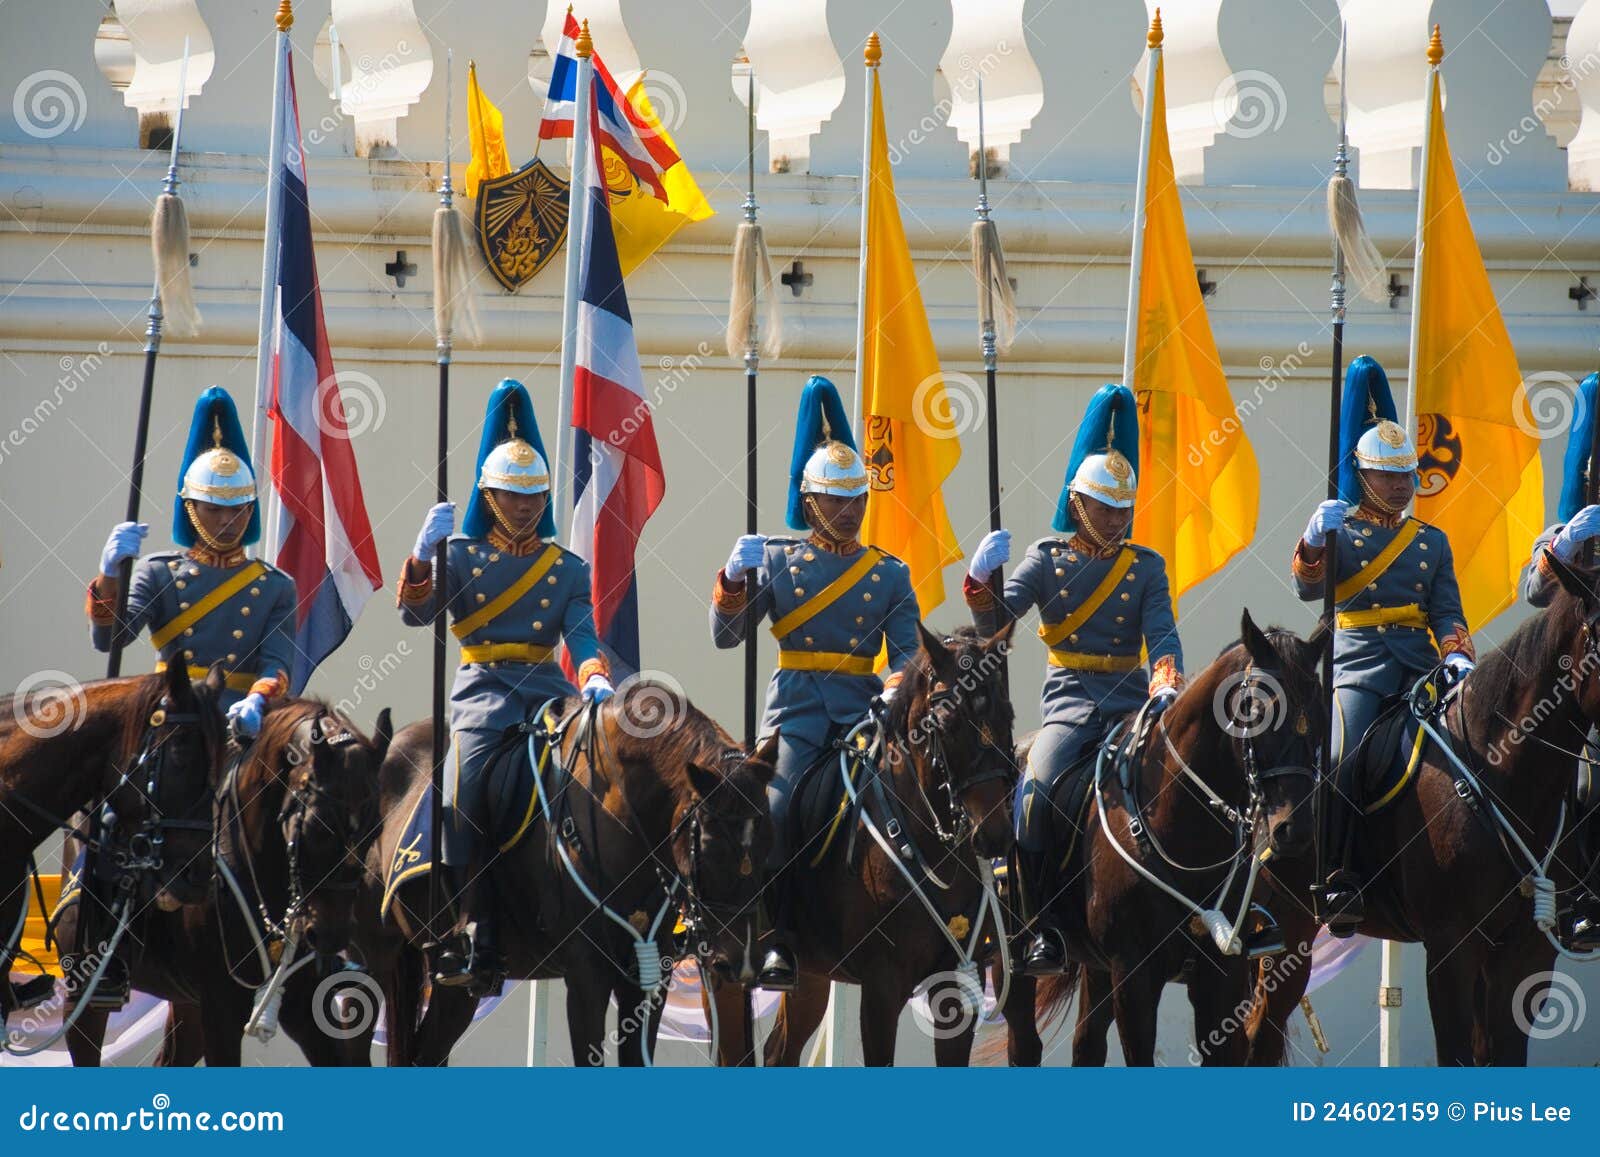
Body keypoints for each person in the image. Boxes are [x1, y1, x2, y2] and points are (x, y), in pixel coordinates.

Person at [82, 386, 295, 1005]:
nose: (226, 521)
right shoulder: (157, 572)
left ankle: (302, 935)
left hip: (238, 721)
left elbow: (279, 659)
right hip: (169, 716)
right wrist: (109, 576)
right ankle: (97, 942)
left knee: (309, 811)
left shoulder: (272, 586)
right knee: (101, 813)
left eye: (236, 511)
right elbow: (113, 638)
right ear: (190, 507)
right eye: (214, 509)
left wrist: (257, 698)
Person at [397, 379, 613, 991]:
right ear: (489, 496)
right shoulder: (459, 556)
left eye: (533, 495)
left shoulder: (566, 568)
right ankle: (470, 922)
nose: (525, 505)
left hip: (548, 689)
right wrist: (422, 560)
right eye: (513, 495)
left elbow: (583, 635)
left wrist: (595, 679)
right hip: (485, 691)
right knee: (463, 788)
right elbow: (416, 615)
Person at [709, 375, 921, 991]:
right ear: (809, 503)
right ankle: (777, 937)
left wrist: (895, 683)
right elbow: (728, 637)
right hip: (798, 717)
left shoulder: (888, 573)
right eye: (837, 500)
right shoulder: (774, 559)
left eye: (857, 499)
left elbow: (907, 650)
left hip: (862, 714)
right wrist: (732, 580)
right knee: (777, 809)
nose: (850, 511)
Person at [963, 384, 1182, 975]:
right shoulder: (1045, 559)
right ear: (1078, 504)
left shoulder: (1146, 567)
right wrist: (981, 582)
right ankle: (1038, 925)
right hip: (1070, 704)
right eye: (1105, 508)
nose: (1116, 520)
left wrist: (1166, 680)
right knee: (1034, 792)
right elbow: (999, 626)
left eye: (1123, 509)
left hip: (1133, 705)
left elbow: (1161, 633)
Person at [1292, 355, 1474, 934]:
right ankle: (1337, 873)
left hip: (1420, 668)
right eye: (1389, 474)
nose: (1401, 485)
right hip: (1361, 668)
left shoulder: (1433, 540)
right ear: (1364, 474)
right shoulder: (1338, 528)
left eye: (1406, 474)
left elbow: (1446, 610)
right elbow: (1305, 589)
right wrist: (1311, 542)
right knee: (1342, 759)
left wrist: (1457, 653)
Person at [1520, 370, 1600, 950]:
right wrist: (1566, 546)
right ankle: (1581, 899)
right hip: (1574, 688)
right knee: (1582, 779)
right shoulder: (1565, 533)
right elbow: (1534, 593)